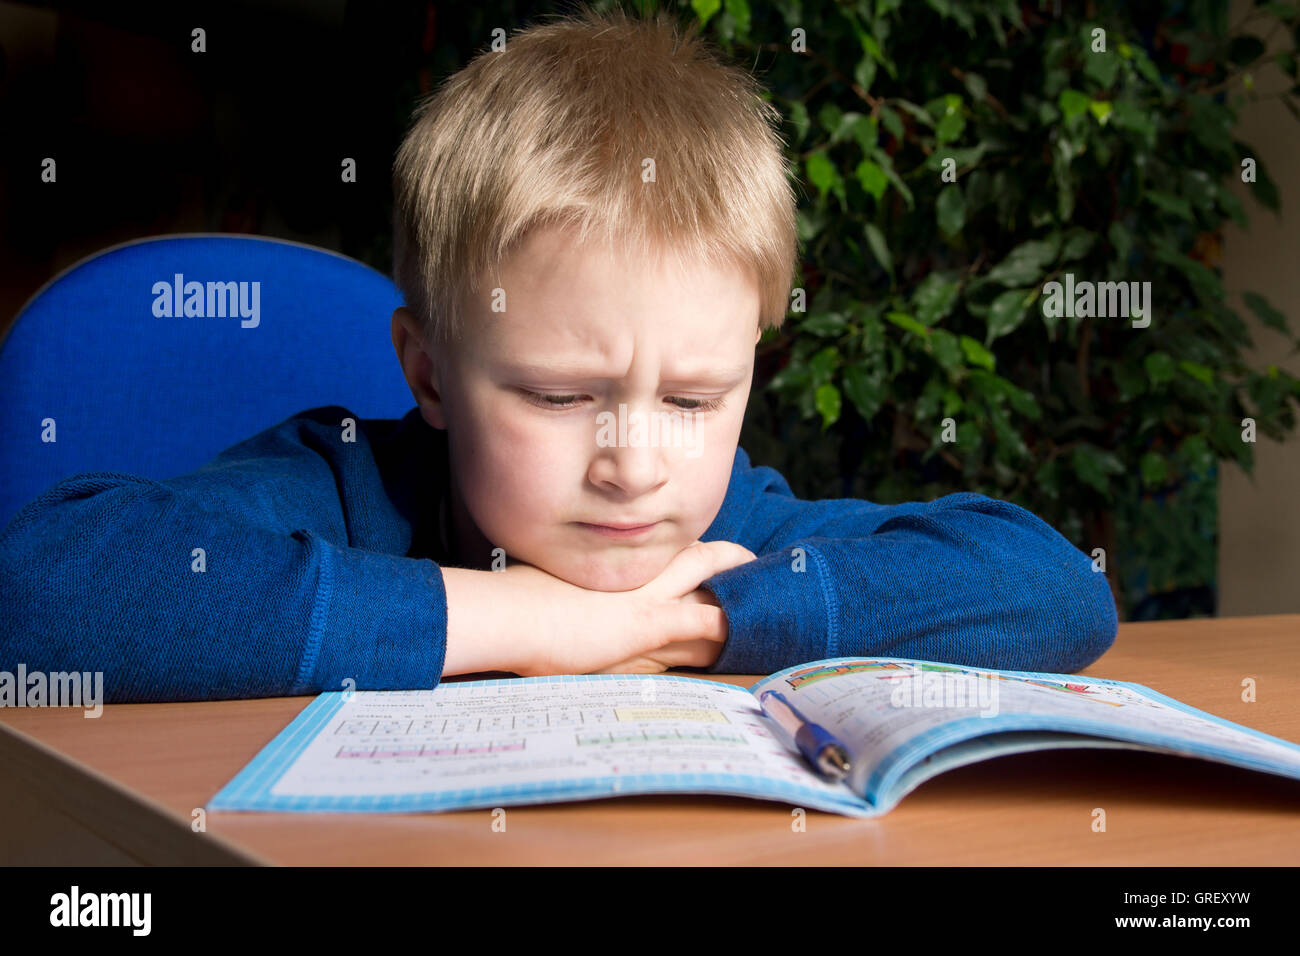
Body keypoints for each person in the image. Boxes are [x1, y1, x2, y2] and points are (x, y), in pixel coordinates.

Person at [0, 6, 1116, 703]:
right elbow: (36, 592)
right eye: (558, 393)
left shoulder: (729, 530)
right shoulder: (346, 484)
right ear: (430, 372)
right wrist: (533, 622)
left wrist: (691, 619)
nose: (634, 464)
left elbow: (1052, 585)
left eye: (691, 396)